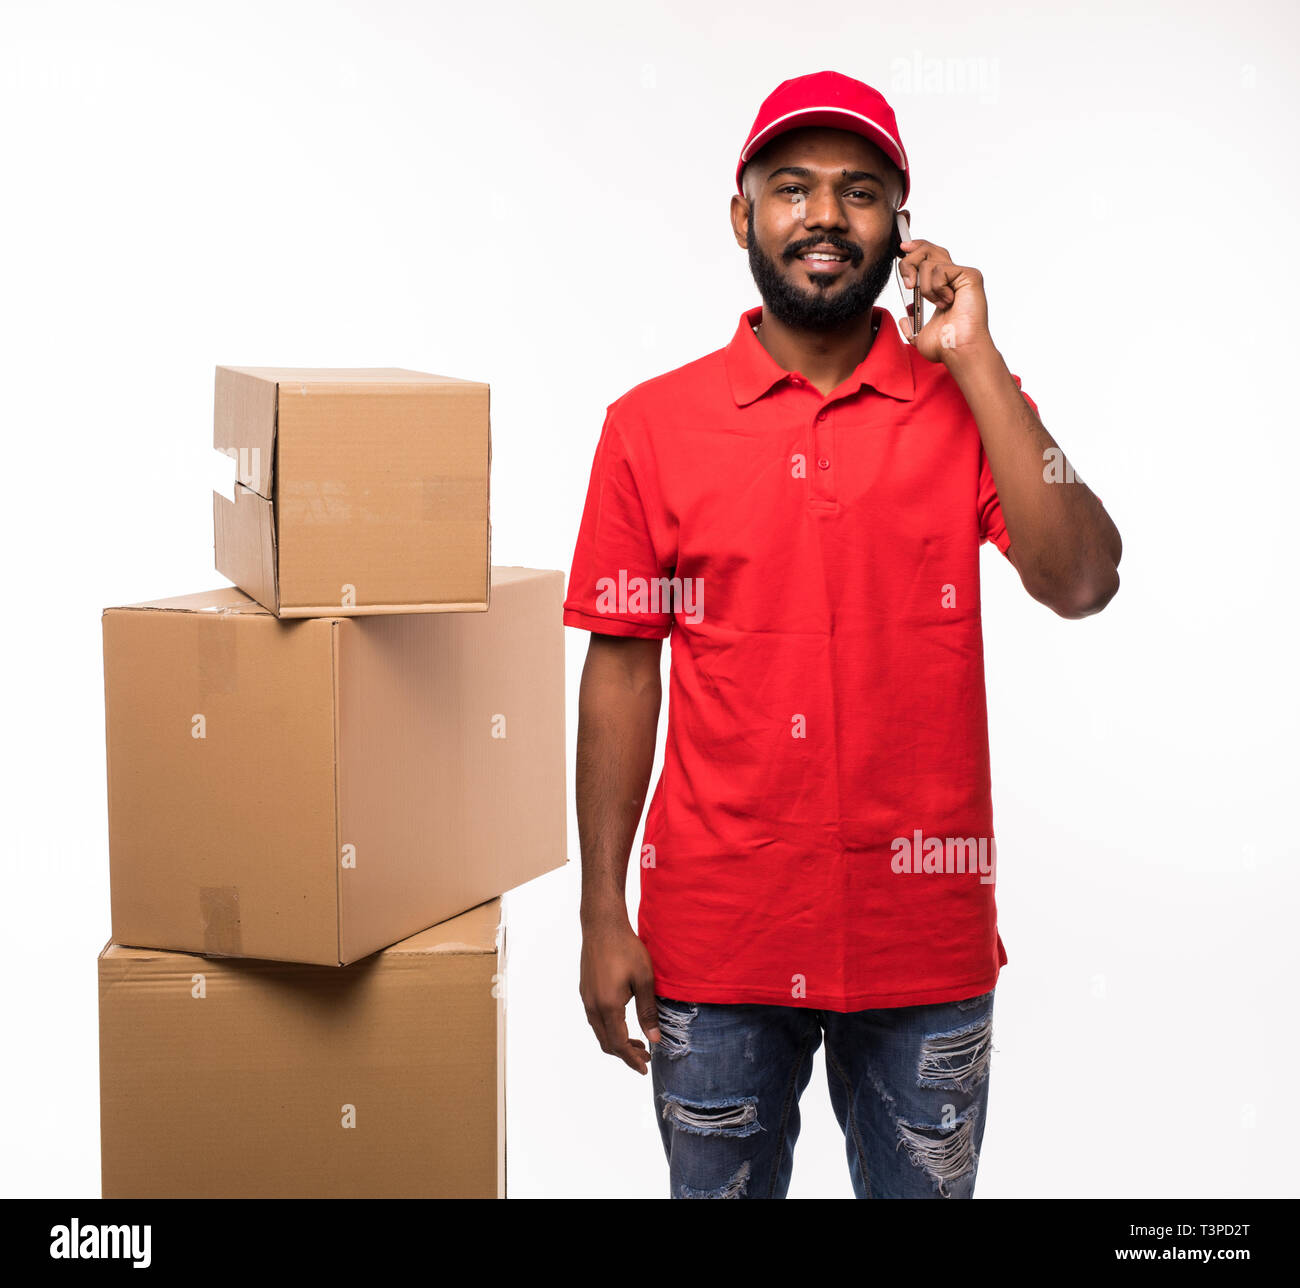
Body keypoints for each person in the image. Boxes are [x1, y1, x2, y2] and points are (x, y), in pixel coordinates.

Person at [565, 69, 1121, 1199]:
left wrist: (972, 355)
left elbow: (1081, 579)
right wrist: (599, 910)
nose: (824, 214)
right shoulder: (648, 427)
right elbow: (622, 674)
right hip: (717, 945)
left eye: (859, 191)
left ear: (898, 224)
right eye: (792, 188)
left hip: (921, 944)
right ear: (743, 215)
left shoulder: (968, 401)